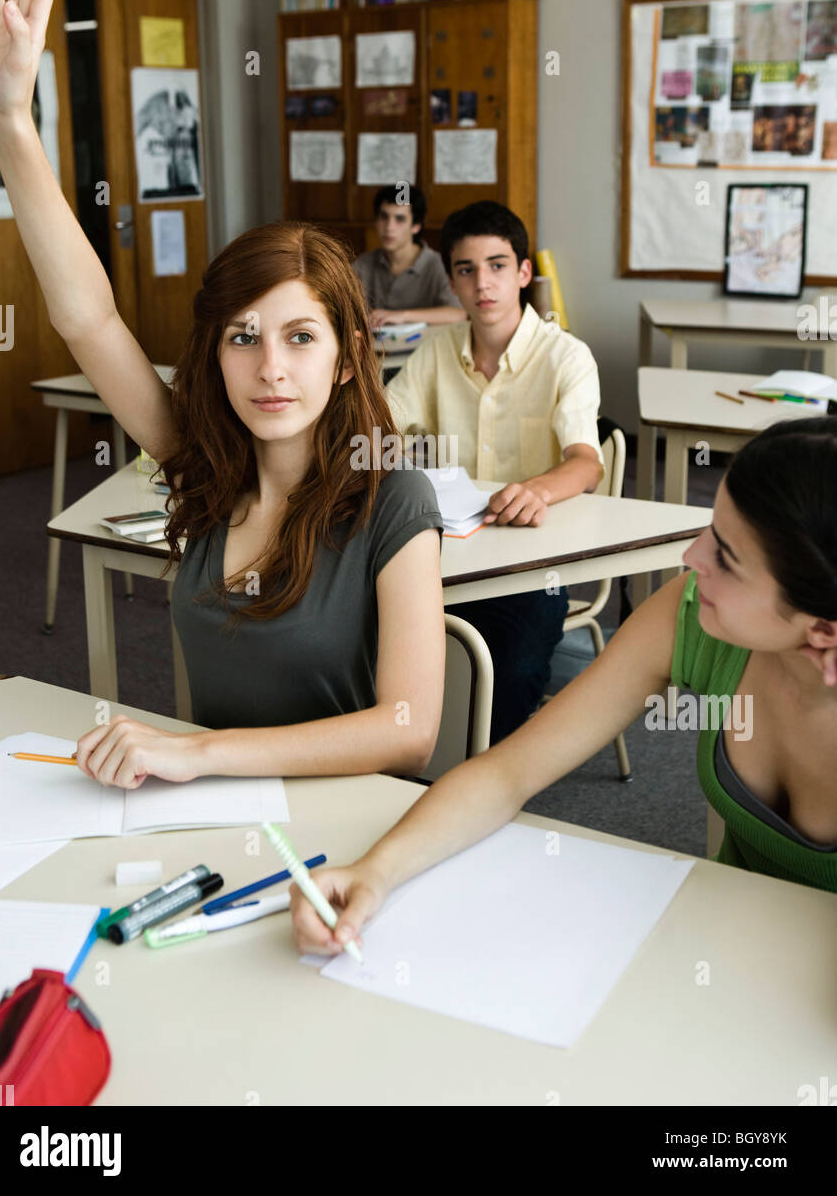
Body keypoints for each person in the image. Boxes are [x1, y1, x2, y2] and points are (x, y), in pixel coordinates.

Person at [0, 0, 446, 788]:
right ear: (216, 355)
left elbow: (408, 732)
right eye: (243, 336)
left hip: (351, 831)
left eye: (301, 338)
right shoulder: (204, 469)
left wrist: (195, 754)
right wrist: (11, 121)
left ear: (346, 362)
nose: (271, 366)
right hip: (221, 814)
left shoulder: (390, 496)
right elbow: (87, 317)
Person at [291, 417, 837, 957]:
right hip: (730, 955)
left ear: (823, 632)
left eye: (727, 558)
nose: (691, 558)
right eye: (711, 531)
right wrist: (376, 872)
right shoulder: (694, 614)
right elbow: (508, 774)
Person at [386, 199, 604, 743]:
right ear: (452, 282)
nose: (483, 282)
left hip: (533, 561)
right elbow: (382, 424)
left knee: (513, 666)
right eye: (466, 269)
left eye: (498, 265)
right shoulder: (434, 351)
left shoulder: (567, 357)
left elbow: (587, 463)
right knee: (371, 640)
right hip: (445, 549)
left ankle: (479, 780)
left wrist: (536, 489)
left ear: (524, 273)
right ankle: (406, 770)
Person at [353, 184, 466, 329]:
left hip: (424, 349)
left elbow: (459, 314)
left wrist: (402, 316)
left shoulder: (438, 264)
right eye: (384, 217)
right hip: (375, 349)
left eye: (399, 219)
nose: (389, 227)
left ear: (416, 226)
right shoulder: (364, 264)